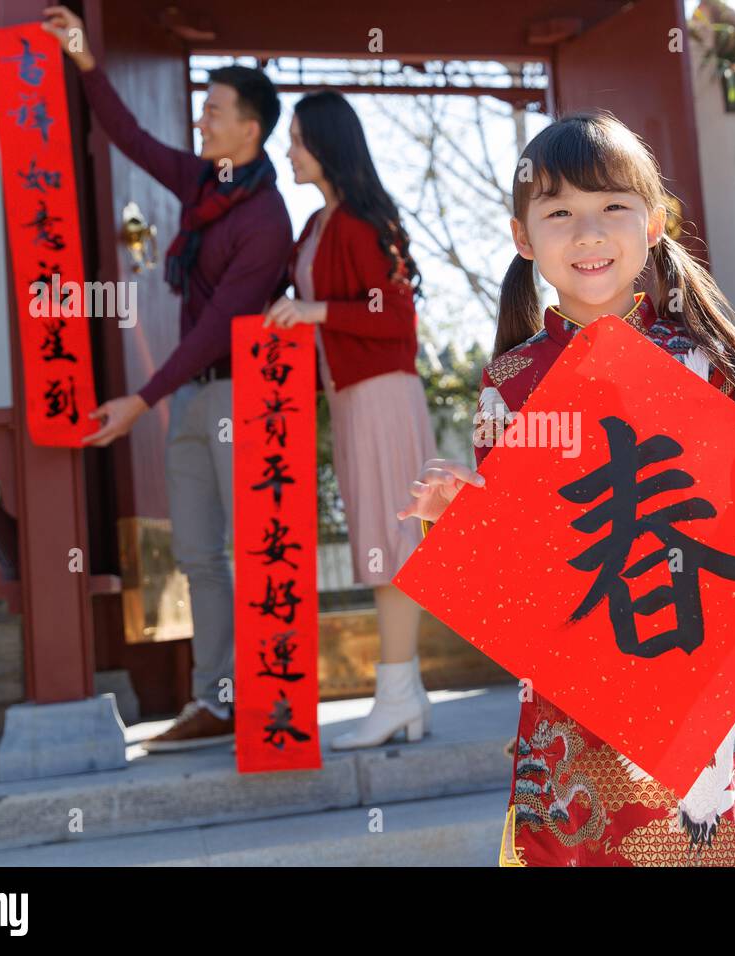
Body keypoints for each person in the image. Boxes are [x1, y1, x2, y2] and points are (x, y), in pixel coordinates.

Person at [398, 112, 735, 866]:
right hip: (577, 670)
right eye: (559, 213)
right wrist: (458, 517)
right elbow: (511, 566)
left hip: (687, 653)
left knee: (697, 842)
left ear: (653, 224)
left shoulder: (701, 361)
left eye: (612, 207)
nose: (588, 233)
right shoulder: (510, 384)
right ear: (524, 238)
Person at [42, 7, 293, 751]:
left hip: (240, 394)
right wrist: (84, 59)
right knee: (198, 557)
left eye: (214, 110)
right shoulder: (203, 182)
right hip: (189, 395)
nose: (201, 120)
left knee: (252, 554)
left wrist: (140, 399)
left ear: (250, 128)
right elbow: (129, 137)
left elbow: (219, 325)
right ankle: (215, 700)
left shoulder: (267, 219)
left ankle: (268, 702)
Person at [263, 91, 438, 749]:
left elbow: (396, 317)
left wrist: (315, 313)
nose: (288, 152)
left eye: (298, 139)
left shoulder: (363, 222)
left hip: (382, 396)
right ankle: (405, 698)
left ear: (327, 144)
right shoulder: (317, 224)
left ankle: (396, 698)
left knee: (394, 547)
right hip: (350, 398)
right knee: (383, 542)